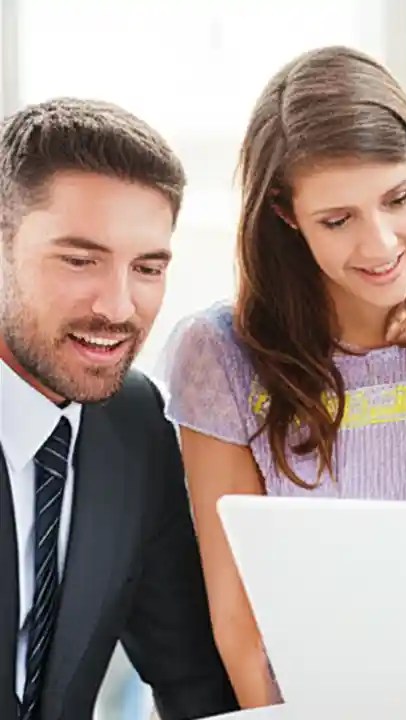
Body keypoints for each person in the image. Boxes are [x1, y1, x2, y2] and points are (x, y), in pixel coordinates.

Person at [159, 47, 406, 708]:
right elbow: (240, 622)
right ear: (284, 213)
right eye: (337, 221)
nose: (381, 244)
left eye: (398, 199)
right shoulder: (217, 354)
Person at [0, 98, 237, 719]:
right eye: (80, 260)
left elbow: (190, 674)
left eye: (147, 267)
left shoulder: (132, 421)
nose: (118, 307)